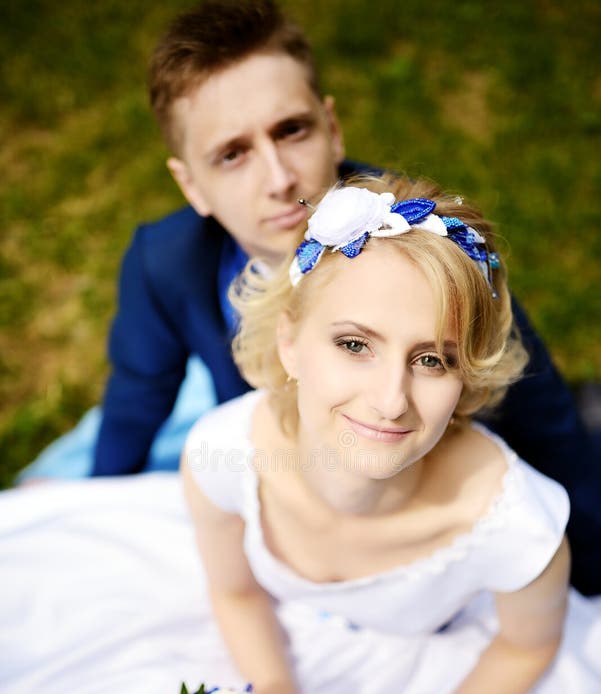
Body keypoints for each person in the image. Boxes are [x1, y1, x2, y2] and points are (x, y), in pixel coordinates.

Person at [18, 0, 600, 596]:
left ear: (333, 128)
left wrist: (587, 561)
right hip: (269, 436)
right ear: (191, 183)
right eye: (232, 154)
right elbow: (136, 399)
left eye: (291, 131)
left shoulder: (423, 245)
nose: (279, 181)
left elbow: (540, 414)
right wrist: (90, 503)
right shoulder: (165, 261)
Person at [178, 175, 601, 694]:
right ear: (288, 342)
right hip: (283, 656)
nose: (389, 399)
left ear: (464, 378)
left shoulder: (511, 523)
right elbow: (236, 591)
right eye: (353, 344)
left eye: (430, 358)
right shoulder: (223, 457)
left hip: (444, 671)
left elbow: (526, 643)